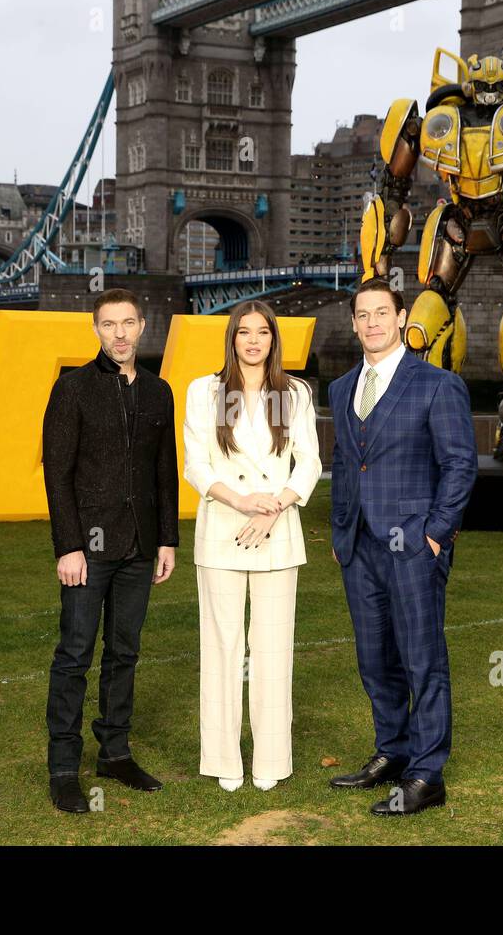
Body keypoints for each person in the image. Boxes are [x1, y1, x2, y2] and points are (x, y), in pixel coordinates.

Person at [327, 276, 477, 816]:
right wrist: (340, 528)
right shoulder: (342, 388)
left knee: (422, 660)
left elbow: (460, 465)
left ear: (400, 317)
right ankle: (391, 752)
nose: (371, 323)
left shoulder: (436, 384)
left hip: (414, 546)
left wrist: (435, 535)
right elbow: (348, 464)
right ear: (354, 323)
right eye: (362, 315)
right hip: (359, 547)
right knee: (374, 659)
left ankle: (426, 774)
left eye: (380, 313)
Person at [41, 288, 180, 814]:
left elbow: (163, 471)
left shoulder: (158, 391)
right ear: (95, 330)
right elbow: (58, 472)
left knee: (125, 652)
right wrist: (69, 546)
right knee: (75, 655)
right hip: (88, 550)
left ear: (142, 326)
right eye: (108, 325)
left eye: (127, 323)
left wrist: (167, 537)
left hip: (140, 546)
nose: (119, 334)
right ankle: (62, 766)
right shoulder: (72, 389)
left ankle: (115, 752)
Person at [183, 300, 322, 793]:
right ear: (232, 338)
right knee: (221, 647)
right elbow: (197, 465)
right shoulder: (207, 390)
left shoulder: (294, 392)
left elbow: (308, 462)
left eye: (262, 332)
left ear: (273, 339)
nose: (253, 340)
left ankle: (271, 760)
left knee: (272, 650)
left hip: (277, 532)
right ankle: (224, 759)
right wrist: (244, 502)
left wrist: (273, 508)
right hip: (223, 528)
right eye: (244, 332)